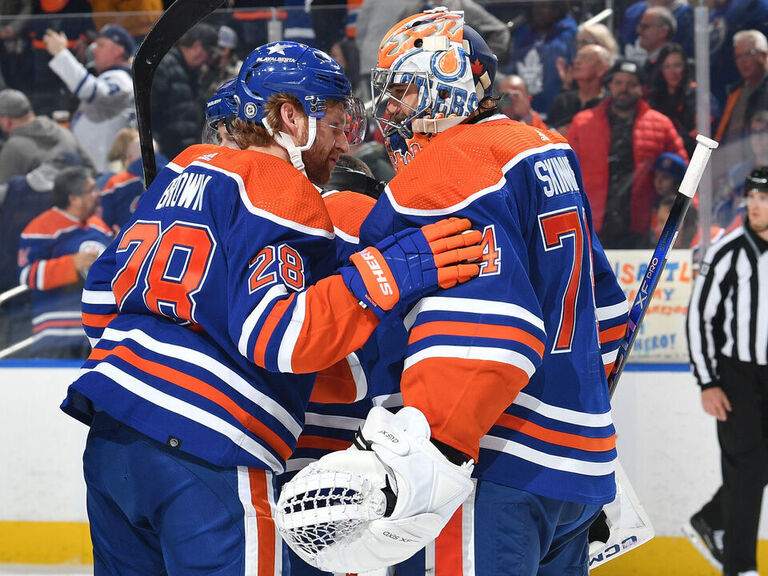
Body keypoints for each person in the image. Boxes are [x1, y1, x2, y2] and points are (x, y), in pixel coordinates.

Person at [60, 40, 481, 574]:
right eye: (334, 123)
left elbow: (100, 301)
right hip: (207, 446)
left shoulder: (183, 168)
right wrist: (394, 269)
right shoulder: (283, 187)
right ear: (290, 117)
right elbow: (281, 337)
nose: (343, 140)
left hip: (111, 432)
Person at [283, 9, 629, 575]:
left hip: (493, 462)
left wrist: (428, 456)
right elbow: (606, 316)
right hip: (578, 469)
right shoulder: (547, 150)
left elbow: (485, 333)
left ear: (442, 81)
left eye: (401, 89)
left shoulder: (453, 165)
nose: (391, 110)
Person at [684, 167, 768, 576]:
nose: (755, 205)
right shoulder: (727, 251)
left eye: (764, 198)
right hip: (738, 376)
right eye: (751, 197)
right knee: (747, 466)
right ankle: (739, 566)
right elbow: (699, 318)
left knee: (755, 467)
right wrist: (709, 382)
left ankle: (711, 518)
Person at [567, 58, 688, 248]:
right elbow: (565, 170)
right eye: (618, 82)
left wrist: (692, 211)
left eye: (632, 84)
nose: (624, 89)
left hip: (641, 229)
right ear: (609, 85)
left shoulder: (660, 125)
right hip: (592, 225)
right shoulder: (582, 123)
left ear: (642, 89)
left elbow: (685, 172)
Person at [18, 165, 111, 358]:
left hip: (98, 331)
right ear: (74, 198)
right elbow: (27, 275)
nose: (98, 194)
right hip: (56, 334)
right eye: (91, 190)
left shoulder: (101, 227)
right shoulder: (41, 226)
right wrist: (71, 264)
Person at [43, 23, 136, 173]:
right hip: (93, 165)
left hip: (102, 168)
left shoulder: (122, 80)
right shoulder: (111, 77)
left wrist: (61, 53)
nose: (94, 50)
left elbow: (90, 90)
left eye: (101, 45)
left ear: (118, 51)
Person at [150, 22, 218, 158]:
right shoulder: (164, 67)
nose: (207, 59)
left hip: (187, 151)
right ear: (197, 46)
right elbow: (151, 111)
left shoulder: (193, 72)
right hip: (166, 152)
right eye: (209, 53)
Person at [0, 88, 93, 184]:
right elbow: (92, 170)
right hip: (83, 190)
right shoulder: (62, 130)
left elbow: (3, 189)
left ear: (6, 121)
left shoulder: (14, 148)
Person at [713, 30, 768, 187]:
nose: (742, 61)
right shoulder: (736, 92)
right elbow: (723, 134)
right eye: (738, 56)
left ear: (764, 55)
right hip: (733, 173)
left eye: (748, 54)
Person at [548, 43, 611, 133]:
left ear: (601, 69)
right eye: (577, 58)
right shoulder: (562, 100)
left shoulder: (609, 103)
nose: (577, 62)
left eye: (586, 58)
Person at [619, 0, 693, 64]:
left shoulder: (687, 14)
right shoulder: (633, 11)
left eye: (645, 27)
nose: (639, 31)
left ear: (663, 31)